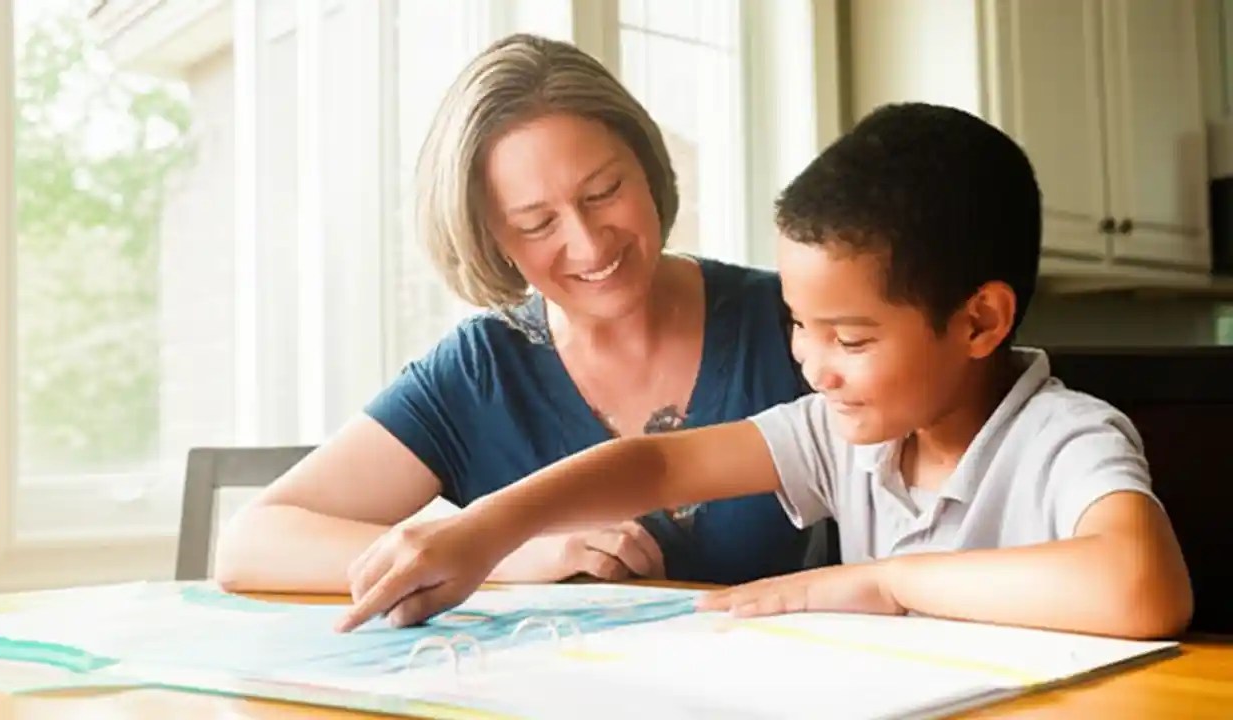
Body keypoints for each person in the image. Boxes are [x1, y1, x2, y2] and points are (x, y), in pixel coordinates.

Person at [334, 102, 1194, 640]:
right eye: (800, 328)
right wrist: (491, 528)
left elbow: (1140, 588)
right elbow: (659, 462)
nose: (815, 367)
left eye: (849, 340)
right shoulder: (843, 434)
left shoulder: (1064, 435)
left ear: (979, 321)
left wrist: (883, 582)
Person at [213, 33, 832, 594]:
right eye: (537, 224)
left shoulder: (791, 319)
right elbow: (251, 545)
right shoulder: (482, 371)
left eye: (604, 192)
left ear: (648, 170)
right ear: (492, 242)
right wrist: (501, 553)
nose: (591, 245)